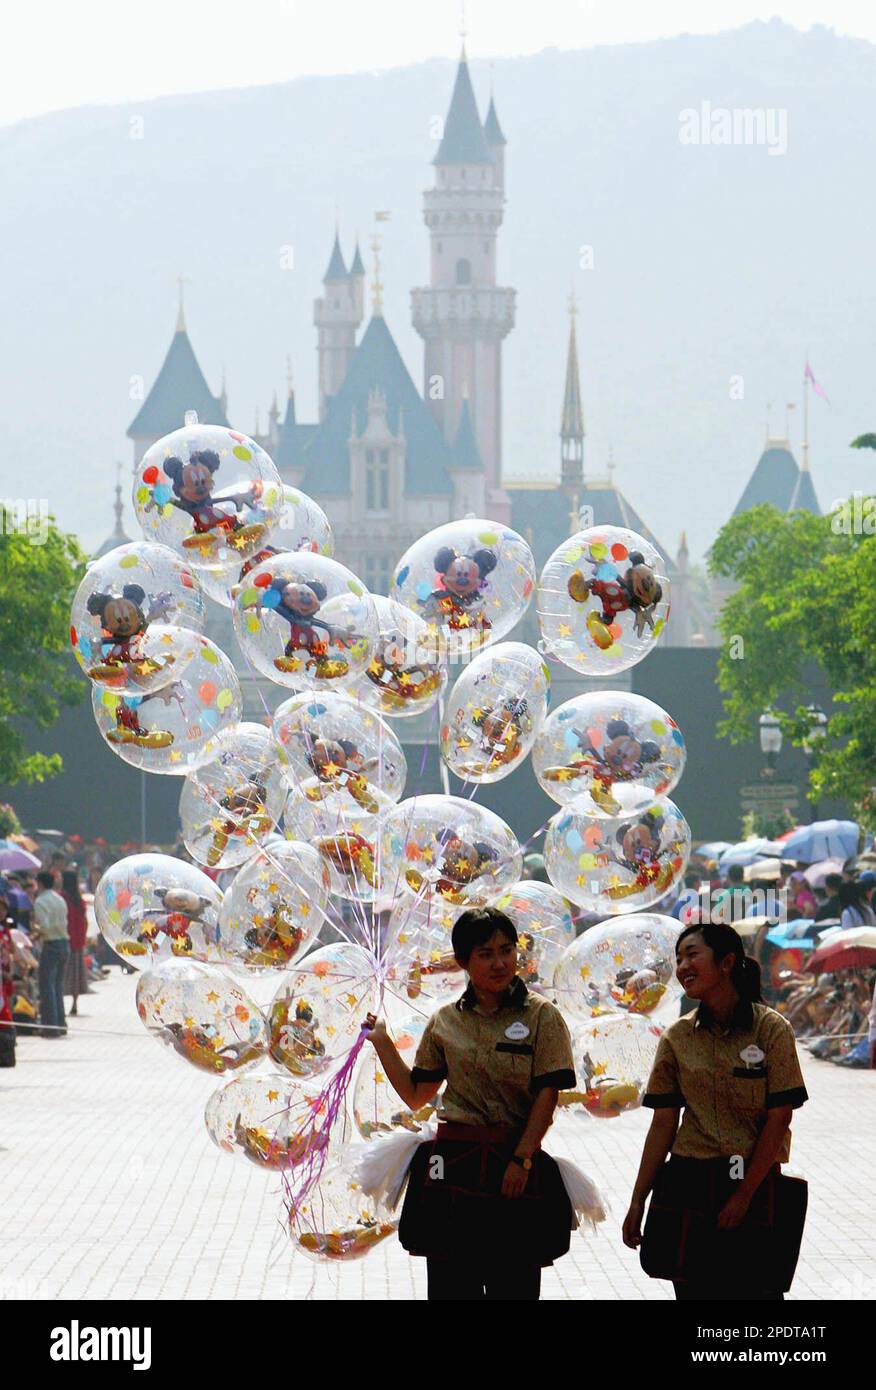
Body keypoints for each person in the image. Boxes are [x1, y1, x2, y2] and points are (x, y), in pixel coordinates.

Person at [364, 906, 579, 1301]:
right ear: (463, 961)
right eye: (486, 953)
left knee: (512, 1286)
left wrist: (522, 1159)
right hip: (453, 1172)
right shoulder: (445, 1020)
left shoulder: (543, 1017)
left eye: (507, 950)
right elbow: (416, 1094)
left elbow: (548, 1096)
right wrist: (382, 1042)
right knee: (450, 1288)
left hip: (512, 1170)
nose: (500, 962)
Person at [623, 921, 809, 1301]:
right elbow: (663, 1125)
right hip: (689, 1185)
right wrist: (638, 1198)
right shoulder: (677, 1038)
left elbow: (780, 1118)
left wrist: (743, 1194)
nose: (683, 966)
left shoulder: (771, 1031)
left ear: (727, 963)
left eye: (692, 954)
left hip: (755, 1183)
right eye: (679, 958)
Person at [33, 870, 70, 1038]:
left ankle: (50, 1027)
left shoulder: (40, 901)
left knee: (47, 987)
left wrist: (35, 930)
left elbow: (45, 925)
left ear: (40, 884)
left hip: (51, 945)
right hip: (64, 944)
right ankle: (61, 1023)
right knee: (57, 985)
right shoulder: (59, 898)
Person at [60, 869, 88, 1016]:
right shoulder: (79, 899)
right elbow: (85, 921)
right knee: (76, 973)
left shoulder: (61, 897)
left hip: (65, 939)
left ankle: (61, 1005)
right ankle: (75, 1003)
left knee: (63, 973)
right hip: (78, 941)